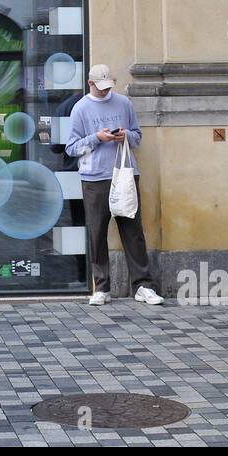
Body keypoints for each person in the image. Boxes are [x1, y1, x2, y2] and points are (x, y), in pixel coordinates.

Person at [64, 64, 163, 307]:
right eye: (100, 87)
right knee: (97, 233)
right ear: (90, 84)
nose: (105, 91)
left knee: (133, 231)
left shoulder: (124, 103)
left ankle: (142, 286)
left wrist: (125, 136)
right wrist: (97, 139)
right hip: (94, 178)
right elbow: (72, 148)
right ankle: (102, 287)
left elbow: (137, 136)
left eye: (108, 86)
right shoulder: (81, 109)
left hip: (125, 174)